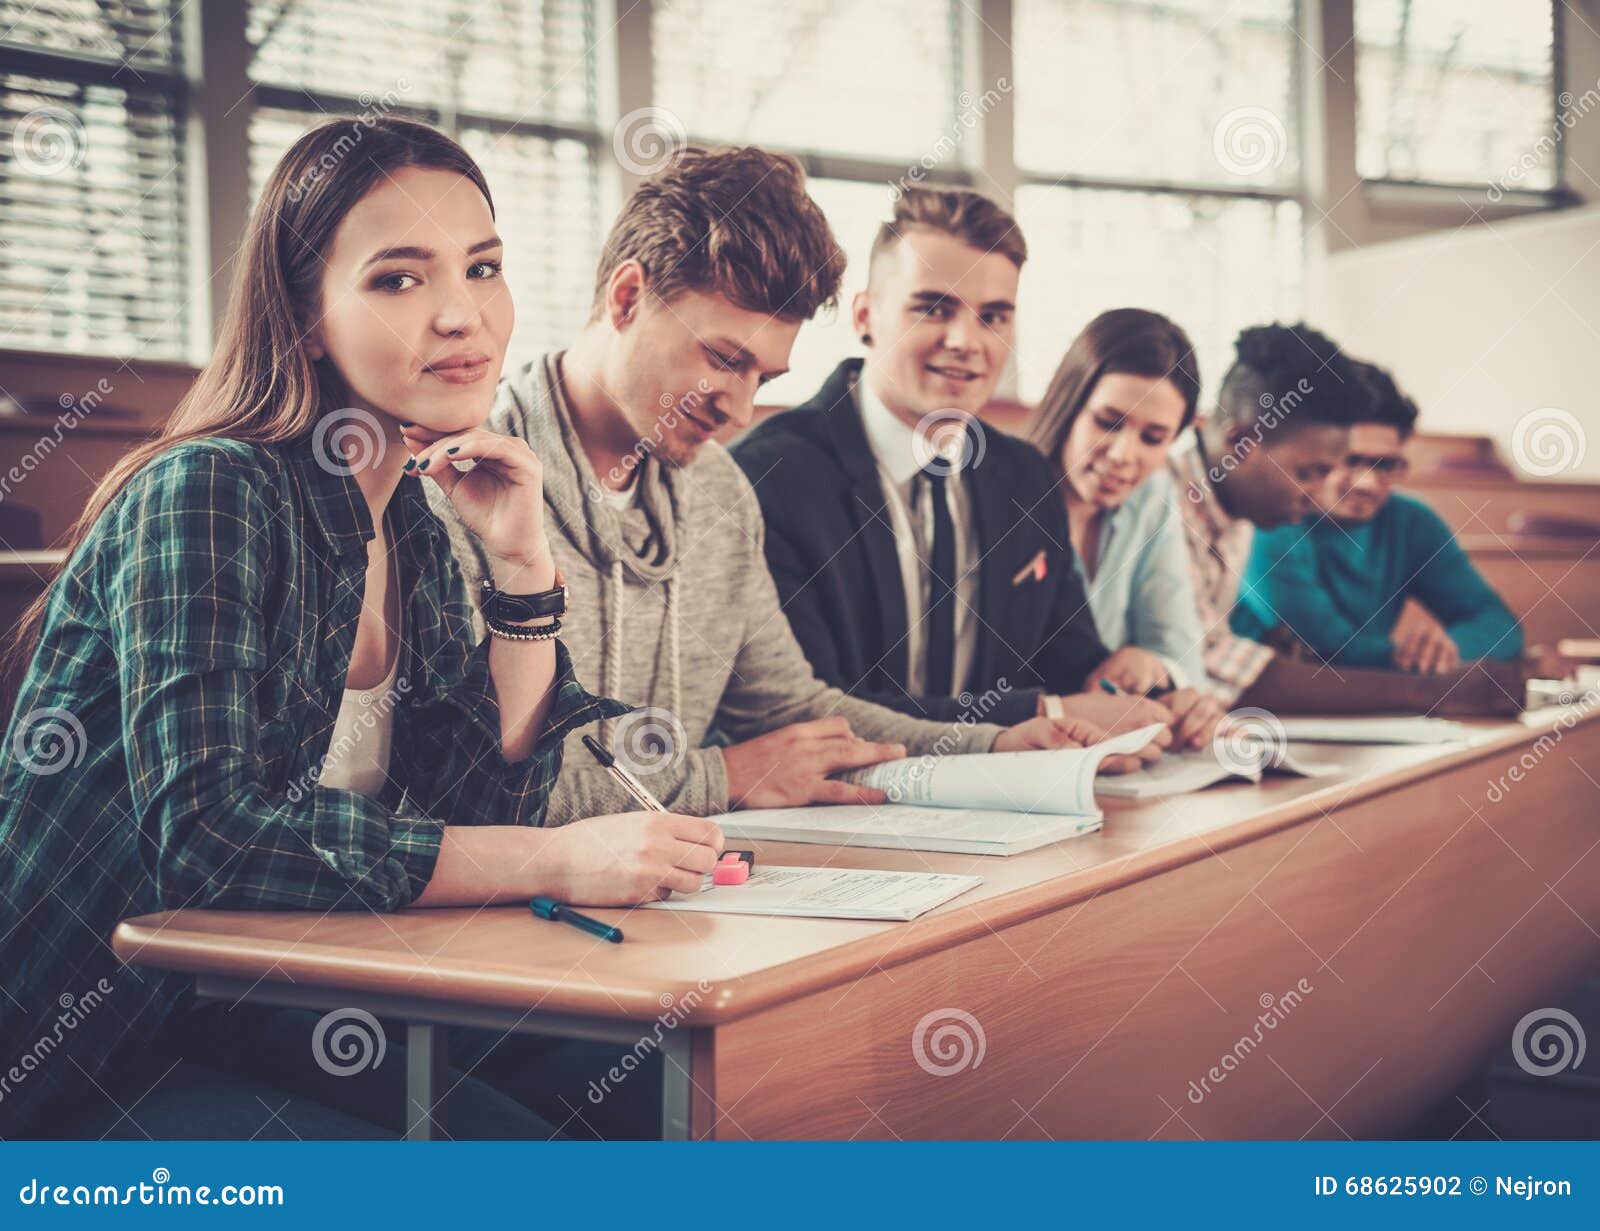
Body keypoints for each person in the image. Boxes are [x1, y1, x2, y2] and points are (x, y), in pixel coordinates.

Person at [0, 118, 719, 1140]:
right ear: (302, 316)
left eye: (483, 267)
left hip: (296, 1004)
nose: (461, 315)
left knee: (662, 1091)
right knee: (510, 1160)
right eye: (397, 279)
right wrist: (555, 861)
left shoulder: (410, 524)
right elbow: (211, 843)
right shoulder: (206, 491)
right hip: (106, 1050)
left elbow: (479, 804)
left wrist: (522, 577)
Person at [429, 153, 1159, 830]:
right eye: (724, 358)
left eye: (765, 379)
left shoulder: (715, 489)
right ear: (627, 297)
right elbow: (466, 793)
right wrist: (722, 776)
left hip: (668, 902)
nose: (740, 411)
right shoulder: (465, 488)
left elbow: (794, 707)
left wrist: (992, 742)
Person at [731, 189, 1187, 744]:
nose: (967, 341)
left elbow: (1070, 660)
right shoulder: (769, 477)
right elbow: (806, 711)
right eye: (933, 308)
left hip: (1013, 809)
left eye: (993, 316)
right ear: (865, 315)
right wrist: (1040, 713)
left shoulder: (1025, 475)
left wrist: (1146, 696)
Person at [1234, 360, 1524, 670]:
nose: (1367, 484)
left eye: (1385, 465)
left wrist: (1446, 649)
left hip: (1371, 705)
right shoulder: (1270, 517)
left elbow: (1499, 625)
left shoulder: (1413, 522)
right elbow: (1331, 650)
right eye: (1350, 460)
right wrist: (1415, 663)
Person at [1027, 308, 1222, 742]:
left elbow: (1182, 652)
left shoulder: (1151, 498)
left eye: (1153, 438)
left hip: (1117, 754)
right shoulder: (1003, 498)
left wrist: (1158, 673)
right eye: (1107, 422)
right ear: (1069, 403)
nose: (1122, 454)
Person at [1168, 322, 1370, 703]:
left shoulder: (1238, 513)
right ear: (1241, 443)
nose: (1318, 496)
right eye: (1309, 474)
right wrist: (1432, 691)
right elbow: (1207, 663)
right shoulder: (1164, 500)